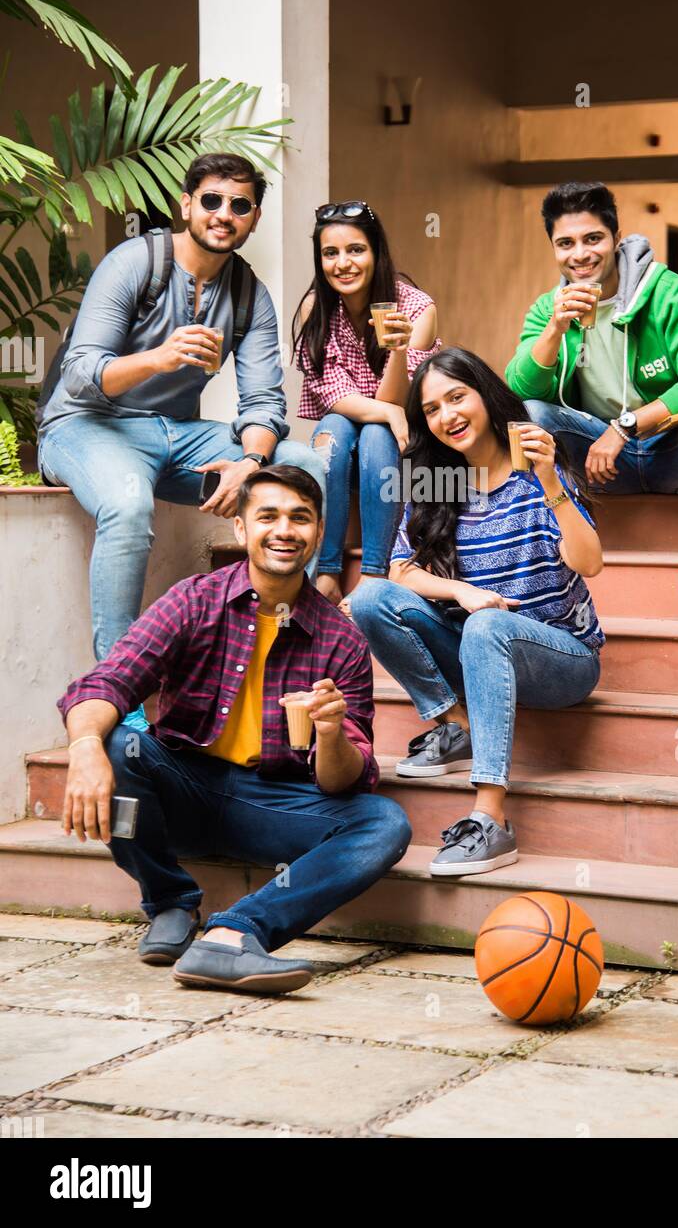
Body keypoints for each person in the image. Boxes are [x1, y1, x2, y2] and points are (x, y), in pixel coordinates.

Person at [56, 464, 411, 995]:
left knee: (384, 823)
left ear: (318, 532)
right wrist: (84, 747)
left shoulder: (341, 639)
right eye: (267, 516)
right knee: (117, 743)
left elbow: (343, 784)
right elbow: (108, 682)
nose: (284, 530)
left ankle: (233, 934)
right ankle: (170, 903)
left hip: (275, 803)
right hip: (185, 787)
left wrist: (333, 734)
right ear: (242, 529)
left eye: (301, 518)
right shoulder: (193, 600)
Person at [37, 153, 326, 730]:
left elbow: (265, 403)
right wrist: (160, 357)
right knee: (125, 501)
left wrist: (250, 462)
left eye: (239, 206)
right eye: (212, 200)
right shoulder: (135, 262)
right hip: (86, 426)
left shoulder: (249, 295)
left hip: (176, 437)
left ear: (254, 218)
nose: (224, 215)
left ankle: (286, 640)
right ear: (187, 203)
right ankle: (116, 690)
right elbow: (80, 370)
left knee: (298, 465)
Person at [351, 348, 604, 878]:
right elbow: (400, 571)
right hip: (476, 645)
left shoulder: (539, 470)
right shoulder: (438, 483)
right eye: (433, 409)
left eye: (457, 397)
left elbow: (590, 562)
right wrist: (460, 591)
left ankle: (490, 818)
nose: (448, 416)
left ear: (485, 396)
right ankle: (454, 724)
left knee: (487, 627)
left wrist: (551, 480)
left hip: (561, 657)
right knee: (370, 597)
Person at [505, 181, 678, 633]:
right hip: (597, 465)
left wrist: (624, 427)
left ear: (615, 237)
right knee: (532, 417)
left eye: (593, 238)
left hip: (667, 450)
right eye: (566, 243)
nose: (581, 254)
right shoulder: (547, 309)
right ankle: (538, 570)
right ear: (554, 249)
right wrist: (554, 330)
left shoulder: (667, 292)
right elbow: (519, 388)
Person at [292, 201, 440, 615]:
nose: (343, 263)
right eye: (330, 253)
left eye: (355, 250)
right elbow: (333, 395)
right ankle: (327, 573)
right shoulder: (314, 309)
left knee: (374, 430)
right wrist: (386, 412)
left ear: (377, 252)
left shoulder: (417, 309)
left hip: (402, 451)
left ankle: (374, 573)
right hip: (345, 446)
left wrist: (396, 350)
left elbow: (400, 404)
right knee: (336, 425)